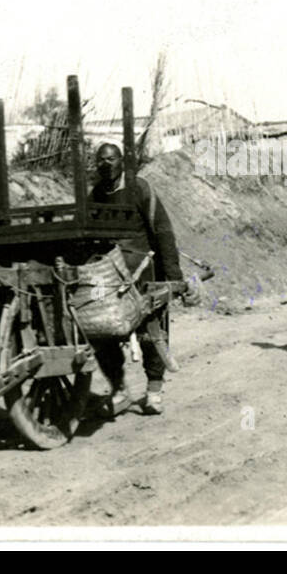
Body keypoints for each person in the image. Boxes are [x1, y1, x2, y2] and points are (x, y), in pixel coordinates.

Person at [89, 142, 185, 415]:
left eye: (111, 159)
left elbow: (163, 231)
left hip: (144, 273)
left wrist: (172, 276)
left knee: (151, 332)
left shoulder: (140, 188)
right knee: (100, 330)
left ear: (121, 161)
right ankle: (119, 390)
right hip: (109, 276)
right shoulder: (95, 195)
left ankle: (154, 392)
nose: (105, 165)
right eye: (100, 161)